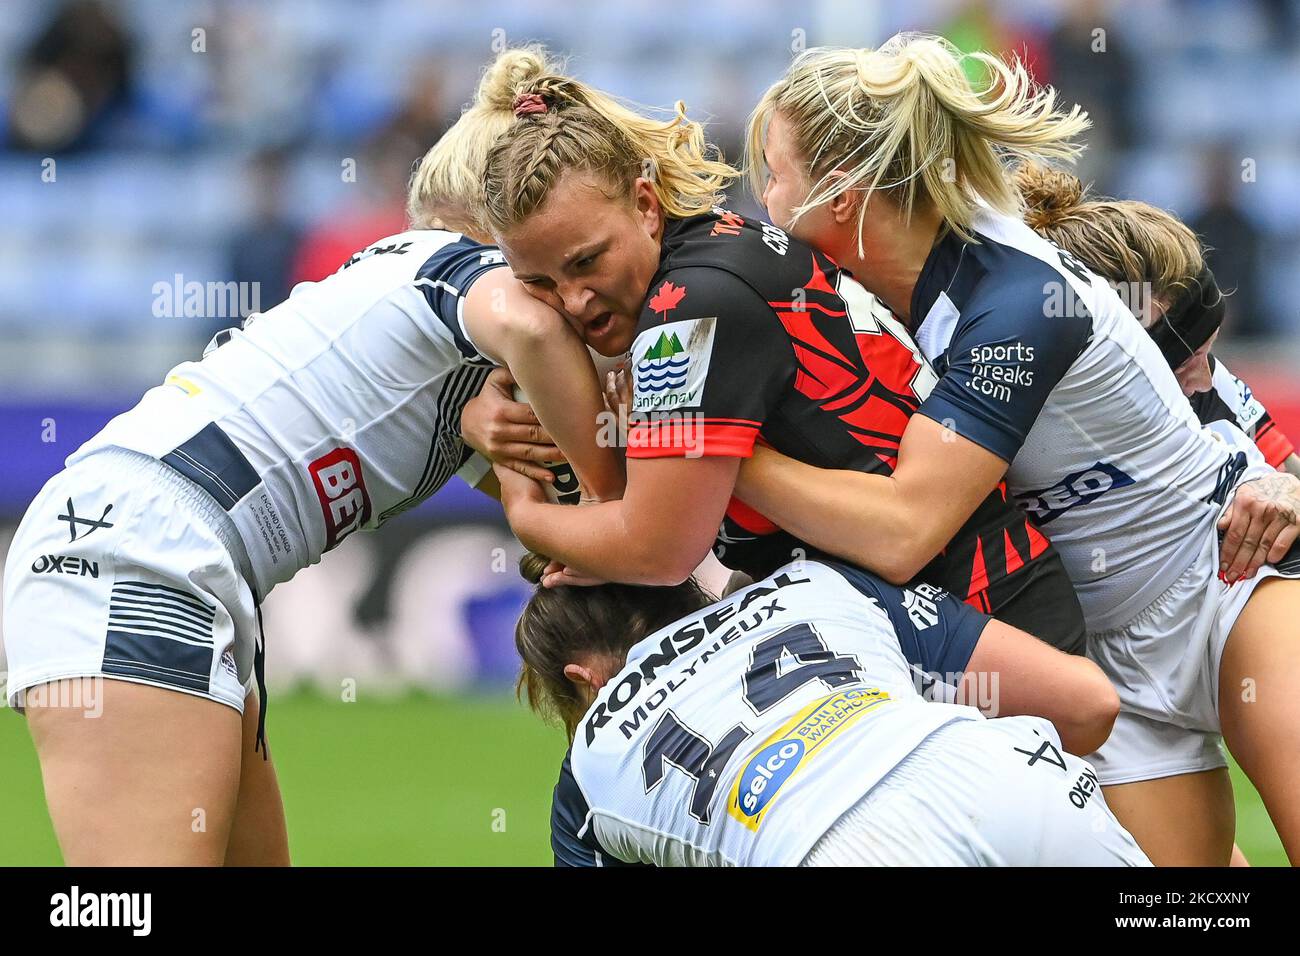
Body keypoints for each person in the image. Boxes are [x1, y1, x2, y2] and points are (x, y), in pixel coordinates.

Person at [0, 47, 623, 866]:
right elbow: (537, 333)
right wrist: (614, 494)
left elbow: (535, 502)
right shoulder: (450, 264)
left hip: (166, 552)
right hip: (141, 552)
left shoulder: (439, 349)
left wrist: (527, 451)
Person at [733, 34, 1300, 864]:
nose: (764, 200)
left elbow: (903, 530)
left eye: (775, 175)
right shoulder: (866, 289)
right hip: (1103, 659)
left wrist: (714, 452)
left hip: (1224, 575)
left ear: (843, 196)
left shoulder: (1016, 300)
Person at [475, 62, 1089, 654]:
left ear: (645, 205)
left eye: (586, 262)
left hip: (980, 618)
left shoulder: (687, 310)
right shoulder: (716, 248)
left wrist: (525, 512)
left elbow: (657, 551)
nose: (573, 301)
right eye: (539, 283)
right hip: (939, 614)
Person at [512, 548, 1147, 866]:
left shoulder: (588, 773)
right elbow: (1088, 705)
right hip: (1001, 775)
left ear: (583, 680)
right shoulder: (815, 584)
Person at [1013, 161, 1298, 477]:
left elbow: (1290, 480)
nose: (1205, 380)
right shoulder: (1013, 409)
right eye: (1188, 362)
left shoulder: (1209, 388)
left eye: (1206, 353)